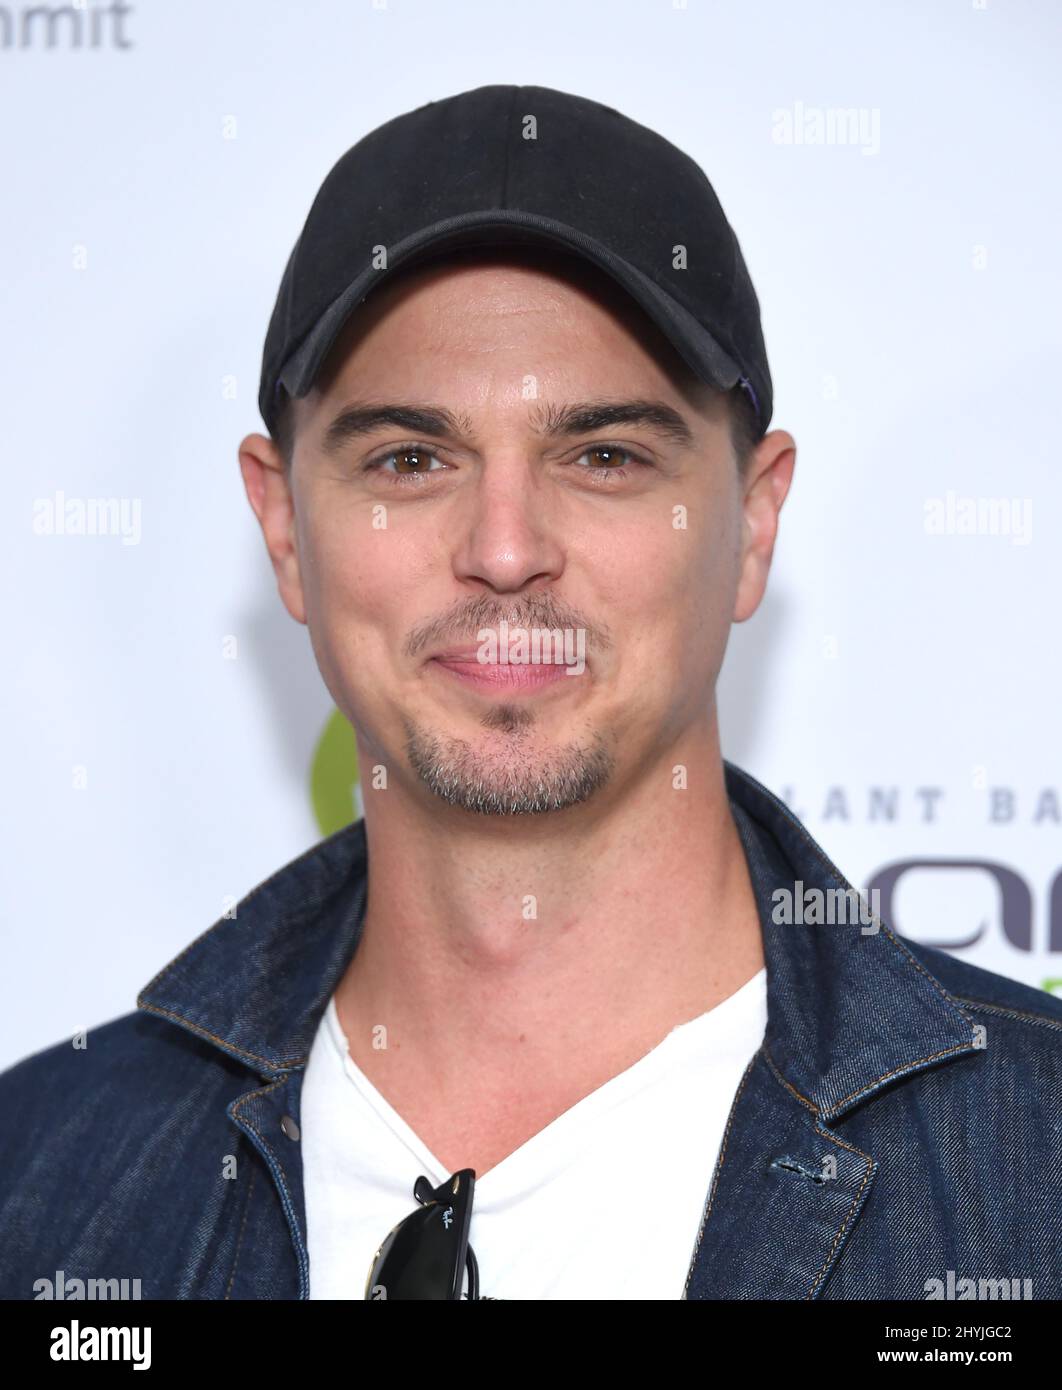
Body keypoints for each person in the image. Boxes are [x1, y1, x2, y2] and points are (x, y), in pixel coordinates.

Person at [1, 85, 1059, 1302]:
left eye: (604, 457)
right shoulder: (43, 1182)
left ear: (755, 522)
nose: (505, 548)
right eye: (411, 458)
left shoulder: (1035, 1159)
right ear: (284, 527)